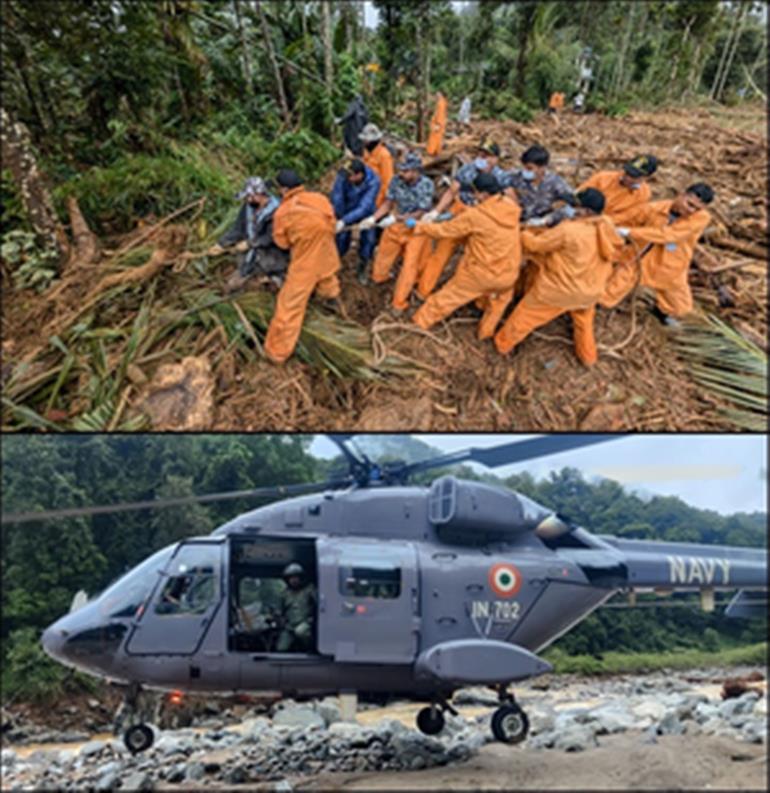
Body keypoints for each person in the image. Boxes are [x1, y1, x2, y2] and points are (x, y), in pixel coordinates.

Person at [494, 188, 622, 366]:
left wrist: (523, 232)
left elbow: (537, 246)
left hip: (559, 291)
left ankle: (502, 345)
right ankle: (588, 358)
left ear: (586, 212)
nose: (571, 209)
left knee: (525, 316)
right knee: (584, 322)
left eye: (575, 206)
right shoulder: (607, 224)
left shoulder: (569, 231)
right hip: (591, 291)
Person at [412, 172, 521, 340]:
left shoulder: (475, 217)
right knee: (497, 305)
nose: (474, 196)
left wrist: (421, 226)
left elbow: (445, 231)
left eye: (476, 193)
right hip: (508, 275)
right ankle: (484, 336)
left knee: (446, 299)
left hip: (481, 274)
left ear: (483, 194)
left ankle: (418, 325)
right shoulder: (511, 207)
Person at [600, 183, 715, 326]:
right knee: (610, 293)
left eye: (697, 208)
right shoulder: (656, 208)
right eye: (689, 204)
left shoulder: (700, 218)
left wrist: (631, 232)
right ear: (682, 194)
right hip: (640, 258)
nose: (691, 210)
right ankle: (595, 309)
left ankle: (661, 313)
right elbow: (630, 216)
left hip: (672, 265)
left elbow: (670, 235)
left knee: (680, 306)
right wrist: (603, 221)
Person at [263, 168, 342, 364]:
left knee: (289, 306)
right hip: (328, 255)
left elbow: (282, 242)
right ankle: (331, 301)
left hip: (306, 263)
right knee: (327, 279)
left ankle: (277, 352)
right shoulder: (319, 199)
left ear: (283, 190)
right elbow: (332, 223)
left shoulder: (283, 212)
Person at [417, 138, 511, 298]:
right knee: (442, 251)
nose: (482, 158)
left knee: (473, 259)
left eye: (487, 155)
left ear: (495, 158)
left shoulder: (501, 177)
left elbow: (509, 200)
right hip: (461, 213)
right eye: (480, 154)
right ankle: (423, 290)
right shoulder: (467, 170)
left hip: (483, 220)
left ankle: (462, 295)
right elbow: (451, 192)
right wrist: (436, 212)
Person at [365, 152, 435, 311]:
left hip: (416, 227)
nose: (401, 174)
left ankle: (399, 303)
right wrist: (374, 218)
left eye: (405, 171)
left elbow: (422, 211)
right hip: (397, 223)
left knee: (410, 266)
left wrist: (400, 218)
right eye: (401, 170)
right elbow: (388, 202)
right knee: (384, 253)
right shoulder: (396, 181)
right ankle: (379, 279)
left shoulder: (426, 185)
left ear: (416, 171)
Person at [212, 176, 288, 292]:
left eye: (250, 197)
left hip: (271, 256)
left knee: (258, 285)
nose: (247, 200)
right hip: (250, 257)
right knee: (232, 285)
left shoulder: (278, 211)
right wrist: (221, 244)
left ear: (260, 195)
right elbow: (238, 228)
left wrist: (250, 243)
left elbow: (271, 237)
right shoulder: (248, 207)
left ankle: (274, 279)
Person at [330, 159, 381, 284]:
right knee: (340, 239)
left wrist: (345, 220)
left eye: (350, 176)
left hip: (365, 213)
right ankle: (335, 265)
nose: (347, 178)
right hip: (345, 210)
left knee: (369, 240)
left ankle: (362, 266)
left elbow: (365, 206)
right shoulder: (343, 176)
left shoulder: (374, 181)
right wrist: (340, 218)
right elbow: (337, 196)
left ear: (359, 175)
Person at [577, 154, 658, 225]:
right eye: (627, 173)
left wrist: (601, 220)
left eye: (633, 176)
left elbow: (627, 217)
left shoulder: (644, 194)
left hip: (606, 227)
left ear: (646, 178)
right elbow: (578, 196)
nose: (627, 178)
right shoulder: (603, 177)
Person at [507, 145, 575, 222]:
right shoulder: (517, 178)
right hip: (521, 221)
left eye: (530, 168)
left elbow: (571, 203)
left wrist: (546, 219)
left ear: (542, 168)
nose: (525, 171)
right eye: (524, 167)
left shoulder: (555, 182)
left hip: (546, 224)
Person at [276, 563, 316, 653]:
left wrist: (311, 620)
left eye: (296, 577)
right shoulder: (284, 594)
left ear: (301, 578)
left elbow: (319, 606)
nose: (293, 580)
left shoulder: (309, 590)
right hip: (289, 626)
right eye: (291, 578)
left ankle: (311, 649)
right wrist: (280, 619)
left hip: (306, 623)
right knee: (281, 648)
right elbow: (280, 611)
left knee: (301, 632)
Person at [360, 123, 395, 209]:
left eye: (366, 140)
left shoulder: (384, 155)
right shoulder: (366, 151)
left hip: (377, 193)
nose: (364, 142)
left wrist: (378, 202)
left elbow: (387, 181)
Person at [426, 92, 448, 156]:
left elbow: (440, 115)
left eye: (438, 94)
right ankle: (435, 151)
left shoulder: (441, 103)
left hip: (437, 123)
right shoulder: (441, 102)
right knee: (437, 138)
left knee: (434, 138)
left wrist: (438, 124)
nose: (436, 95)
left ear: (441, 94)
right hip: (438, 123)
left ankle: (432, 152)